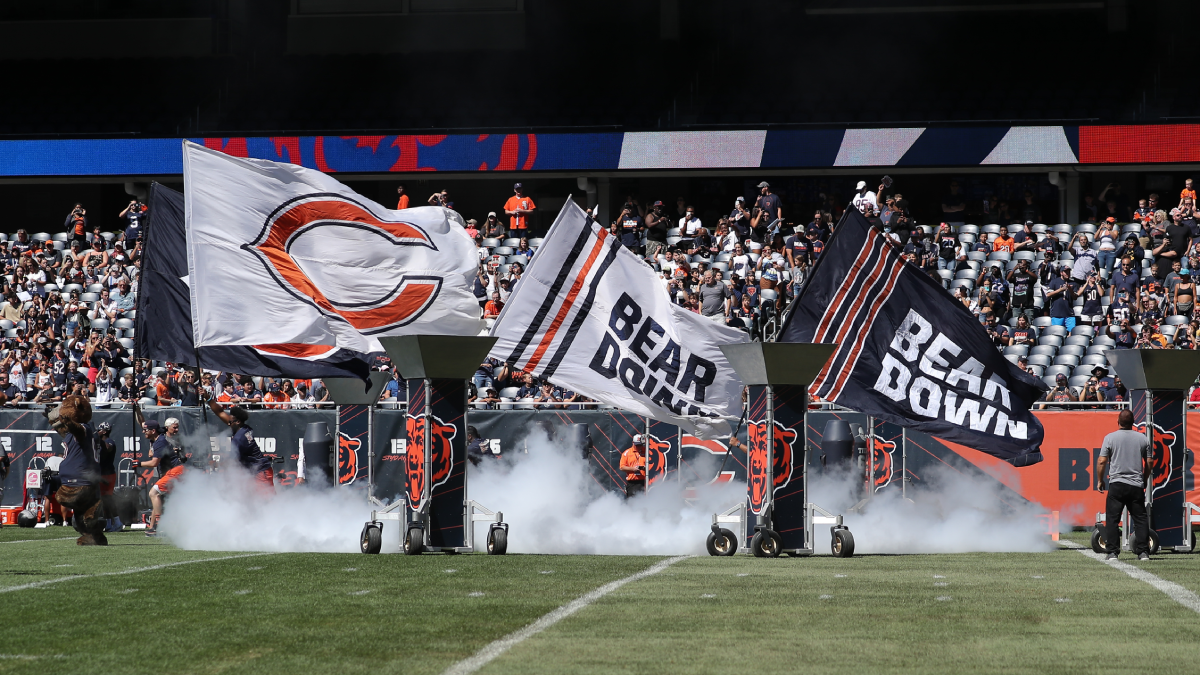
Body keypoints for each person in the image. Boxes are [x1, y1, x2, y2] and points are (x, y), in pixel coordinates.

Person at [1096, 409, 1153, 560]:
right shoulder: (1142, 438)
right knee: (1140, 519)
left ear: (1118, 421)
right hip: (1135, 485)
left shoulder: (1110, 438)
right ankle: (1143, 552)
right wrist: (1144, 479)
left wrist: (1100, 480)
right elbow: (1149, 462)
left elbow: (1102, 461)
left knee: (1113, 519)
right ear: (1133, 422)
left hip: (1117, 483)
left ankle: (1113, 552)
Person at [131, 414, 184, 537]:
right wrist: (137, 409)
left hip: (175, 472)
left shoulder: (159, 442)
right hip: (174, 472)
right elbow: (142, 422)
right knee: (159, 498)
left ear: (153, 431)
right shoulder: (156, 439)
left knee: (153, 493)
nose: (143, 431)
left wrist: (138, 463)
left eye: (145, 430)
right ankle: (155, 527)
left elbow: (154, 462)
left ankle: (160, 527)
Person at [207, 399, 275, 493]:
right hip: (255, 473)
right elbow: (220, 412)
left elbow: (231, 462)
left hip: (261, 473)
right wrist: (209, 399)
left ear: (237, 422)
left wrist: (216, 465)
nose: (228, 424)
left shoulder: (239, 439)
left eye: (230, 422)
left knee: (267, 503)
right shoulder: (244, 428)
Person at [94, 421, 122, 532]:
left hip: (108, 474)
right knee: (103, 500)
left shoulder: (109, 442)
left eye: (99, 430)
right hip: (101, 474)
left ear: (104, 431)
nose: (97, 432)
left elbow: (107, 447)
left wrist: (98, 439)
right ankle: (109, 523)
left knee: (108, 499)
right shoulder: (99, 443)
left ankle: (118, 522)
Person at [619, 434, 648, 499]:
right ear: (633, 443)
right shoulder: (626, 453)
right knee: (632, 503)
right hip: (633, 482)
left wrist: (645, 468)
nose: (638, 447)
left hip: (646, 481)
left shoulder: (647, 451)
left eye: (640, 445)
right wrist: (633, 469)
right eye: (637, 445)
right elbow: (622, 467)